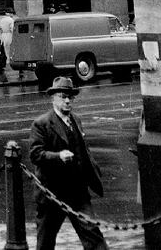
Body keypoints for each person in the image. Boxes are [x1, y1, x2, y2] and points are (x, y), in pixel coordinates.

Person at [28, 79, 108, 250]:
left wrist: (93, 172)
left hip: (77, 193)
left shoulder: (76, 120)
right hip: (52, 194)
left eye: (70, 97)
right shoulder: (42, 123)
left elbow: (83, 150)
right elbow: (35, 154)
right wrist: (58, 156)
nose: (67, 101)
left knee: (93, 237)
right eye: (63, 97)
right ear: (53, 98)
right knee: (45, 242)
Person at [0, 9, 16, 79]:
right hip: (9, 36)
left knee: (2, 51)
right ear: (10, 13)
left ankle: (1, 65)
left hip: (3, 36)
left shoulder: (2, 20)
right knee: (8, 51)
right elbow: (12, 29)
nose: (13, 15)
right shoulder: (11, 20)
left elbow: (0, 29)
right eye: (12, 13)